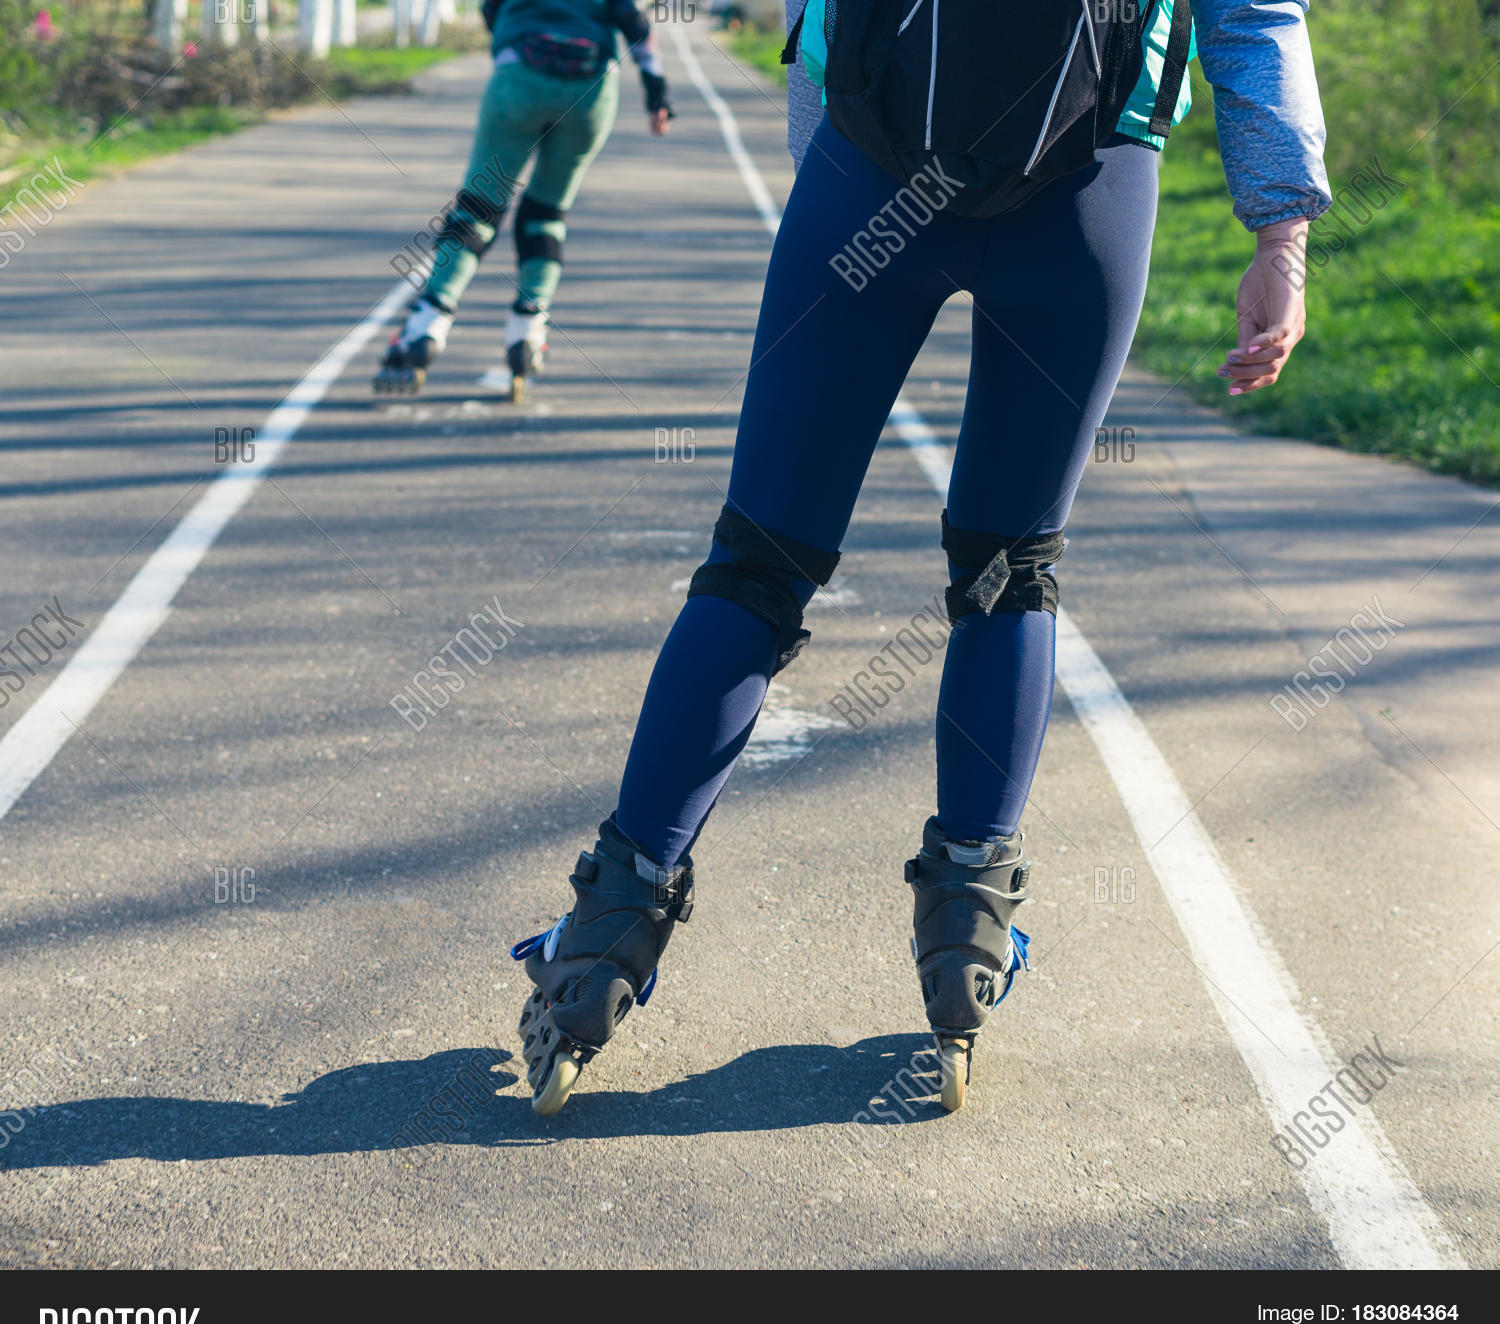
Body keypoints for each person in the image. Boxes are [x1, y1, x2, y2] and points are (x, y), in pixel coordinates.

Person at [512, 0, 1332, 1114]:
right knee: (1012, 566)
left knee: (759, 563)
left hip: (874, 169)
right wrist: (1280, 233)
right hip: (1090, 182)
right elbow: (1252, 16)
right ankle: (967, 940)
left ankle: (605, 939)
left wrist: (836, 175)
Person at [374, 0, 674, 401]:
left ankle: (428, 321)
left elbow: (490, 12)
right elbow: (637, 28)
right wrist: (657, 94)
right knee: (547, 211)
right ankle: (527, 330)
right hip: (589, 92)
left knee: (478, 207)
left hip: (520, 78)